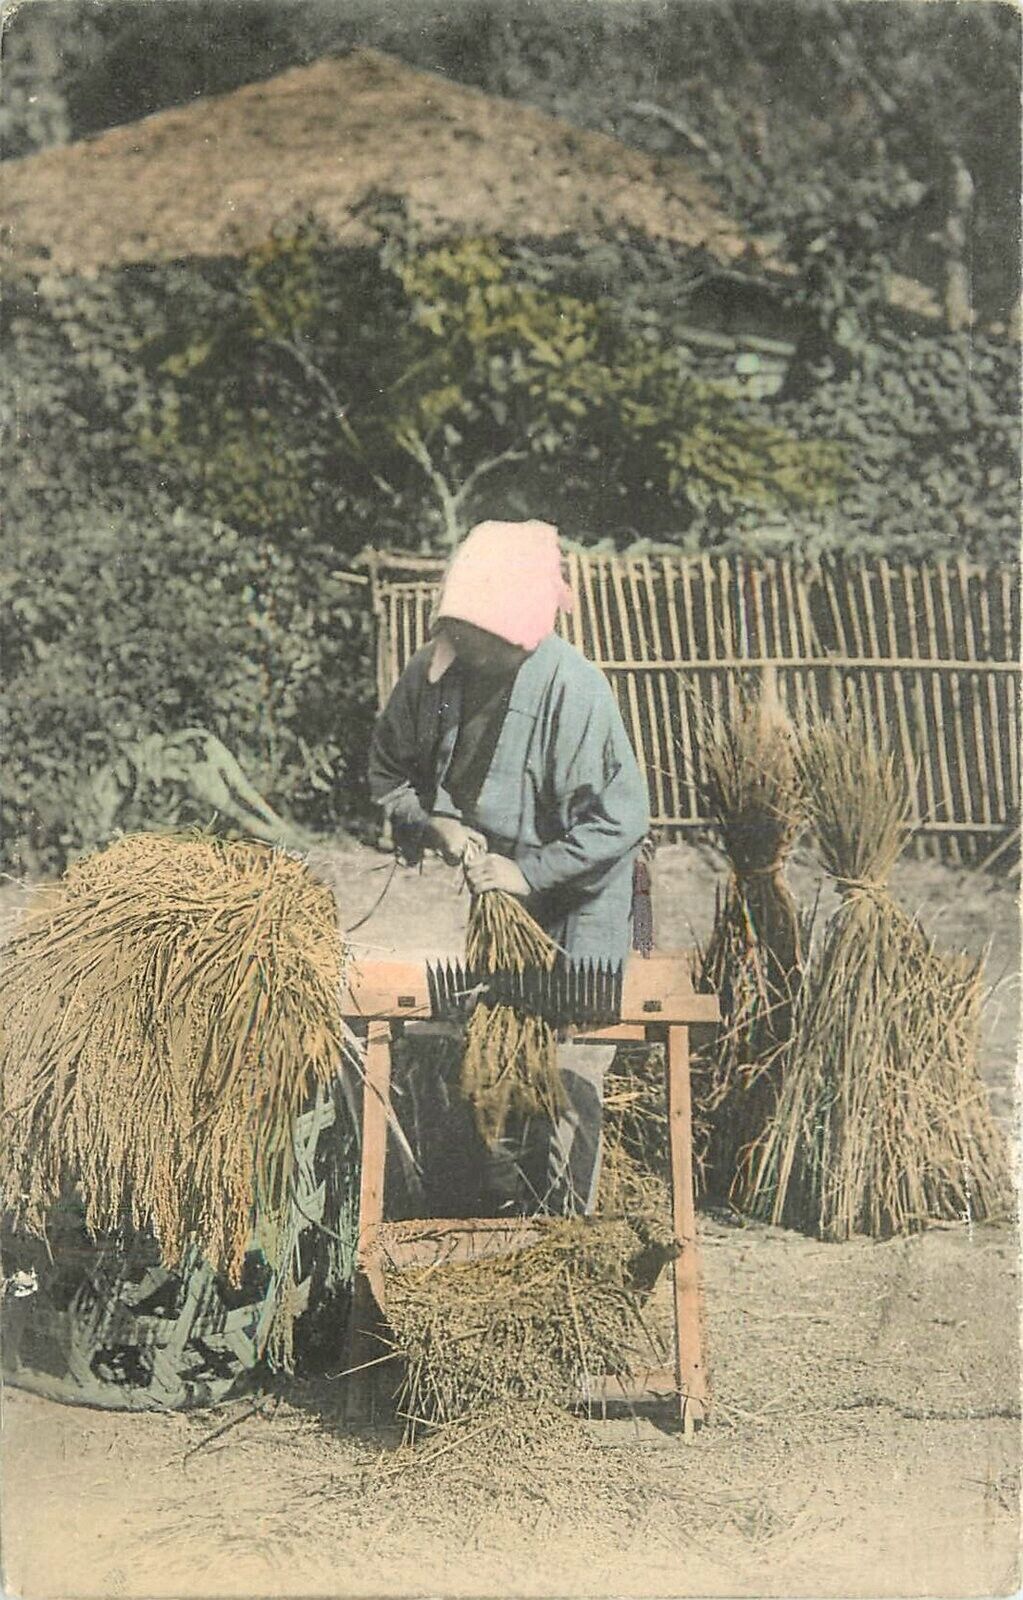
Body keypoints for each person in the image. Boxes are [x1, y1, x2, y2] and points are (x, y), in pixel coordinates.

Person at [368, 519, 650, 1215]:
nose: (468, 646)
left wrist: (530, 873)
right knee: (491, 1060)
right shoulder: (432, 671)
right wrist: (435, 824)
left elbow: (620, 820)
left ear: (522, 632)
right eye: (459, 629)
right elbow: (387, 772)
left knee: (564, 1068)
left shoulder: (574, 689)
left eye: (485, 635)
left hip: (578, 899)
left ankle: (563, 1229)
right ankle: (494, 1212)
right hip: (496, 905)